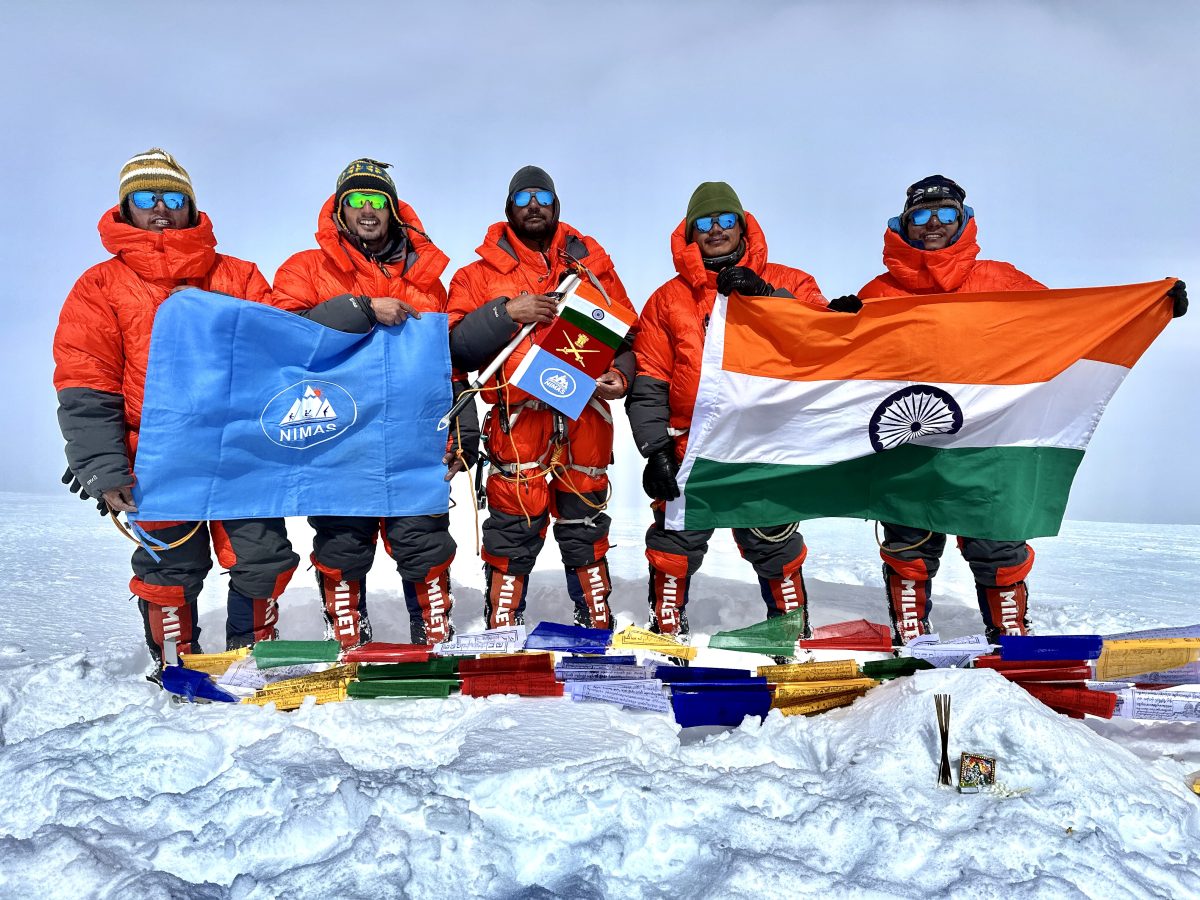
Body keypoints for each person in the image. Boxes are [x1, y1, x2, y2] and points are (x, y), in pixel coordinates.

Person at [54, 148, 300, 676]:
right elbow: (86, 380)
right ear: (126, 209)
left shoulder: (238, 276)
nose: (160, 207)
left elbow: (285, 350)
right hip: (155, 457)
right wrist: (101, 462)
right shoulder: (100, 287)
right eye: (145, 198)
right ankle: (177, 665)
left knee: (263, 555)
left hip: (240, 453)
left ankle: (252, 659)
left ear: (191, 207)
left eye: (173, 197)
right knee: (170, 567)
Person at [626, 182, 853, 647]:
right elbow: (650, 377)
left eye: (725, 221)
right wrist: (655, 449)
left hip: (766, 442)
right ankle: (666, 631)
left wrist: (766, 295)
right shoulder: (667, 301)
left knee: (775, 539)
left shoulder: (790, 281)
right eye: (704, 224)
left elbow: (823, 340)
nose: (715, 231)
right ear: (691, 233)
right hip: (695, 442)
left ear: (742, 226)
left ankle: (789, 635)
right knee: (675, 537)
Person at [272, 158, 476, 648]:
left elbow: (444, 361)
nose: (368, 209)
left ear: (393, 209)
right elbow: (284, 333)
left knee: (423, 540)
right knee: (342, 542)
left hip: (412, 434)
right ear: (340, 210)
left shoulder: (427, 279)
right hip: (338, 432)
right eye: (356, 200)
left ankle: (434, 637)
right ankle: (347, 635)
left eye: (377, 200)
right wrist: (360, 310)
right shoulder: (305, 268)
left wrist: (462, 430)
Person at [447, 165, 636, 631]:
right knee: (513, 529)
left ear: (556, 206)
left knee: (586, 526)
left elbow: (629, 338)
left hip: (585, 420)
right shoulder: (476, 276)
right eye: (524, 196)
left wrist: (621, 374)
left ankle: (596, 619)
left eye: (544, 197)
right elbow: (455, 347)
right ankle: (503, 624)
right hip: (517, 423)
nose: (535, 205)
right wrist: (506, 312)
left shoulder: (593, 268)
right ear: (509, 207)